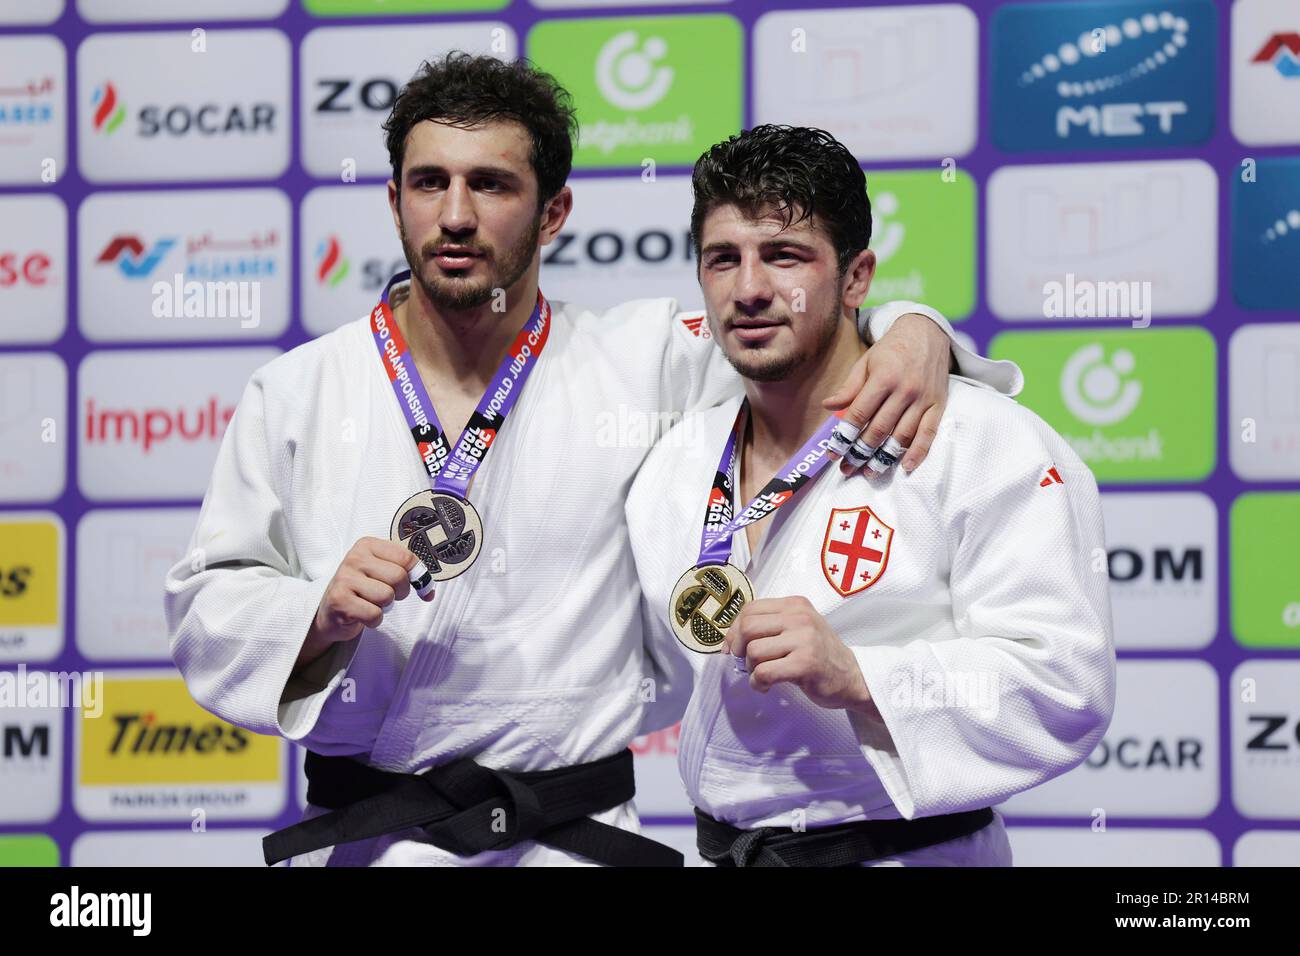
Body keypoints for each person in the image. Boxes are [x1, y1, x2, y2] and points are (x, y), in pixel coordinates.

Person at [163, 54, 1023, 867]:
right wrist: (316, 615)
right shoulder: (297, 390)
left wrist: (916, 329)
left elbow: (796, 333)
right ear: (394, 203)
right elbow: (208, 599)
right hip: (374, 838)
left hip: (571, 841)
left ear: (553, 212)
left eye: (491, 184)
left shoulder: (645, 358)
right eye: (430, 183)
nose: (456, 215)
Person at [626, 125, 1116, 867]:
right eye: (723, 259)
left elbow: (1066, 685)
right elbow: (649, 681)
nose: (750, 288)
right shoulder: (677, 462)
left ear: (857, 278)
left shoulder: (979, 440)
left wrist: (861, 676)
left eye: (785, 256)